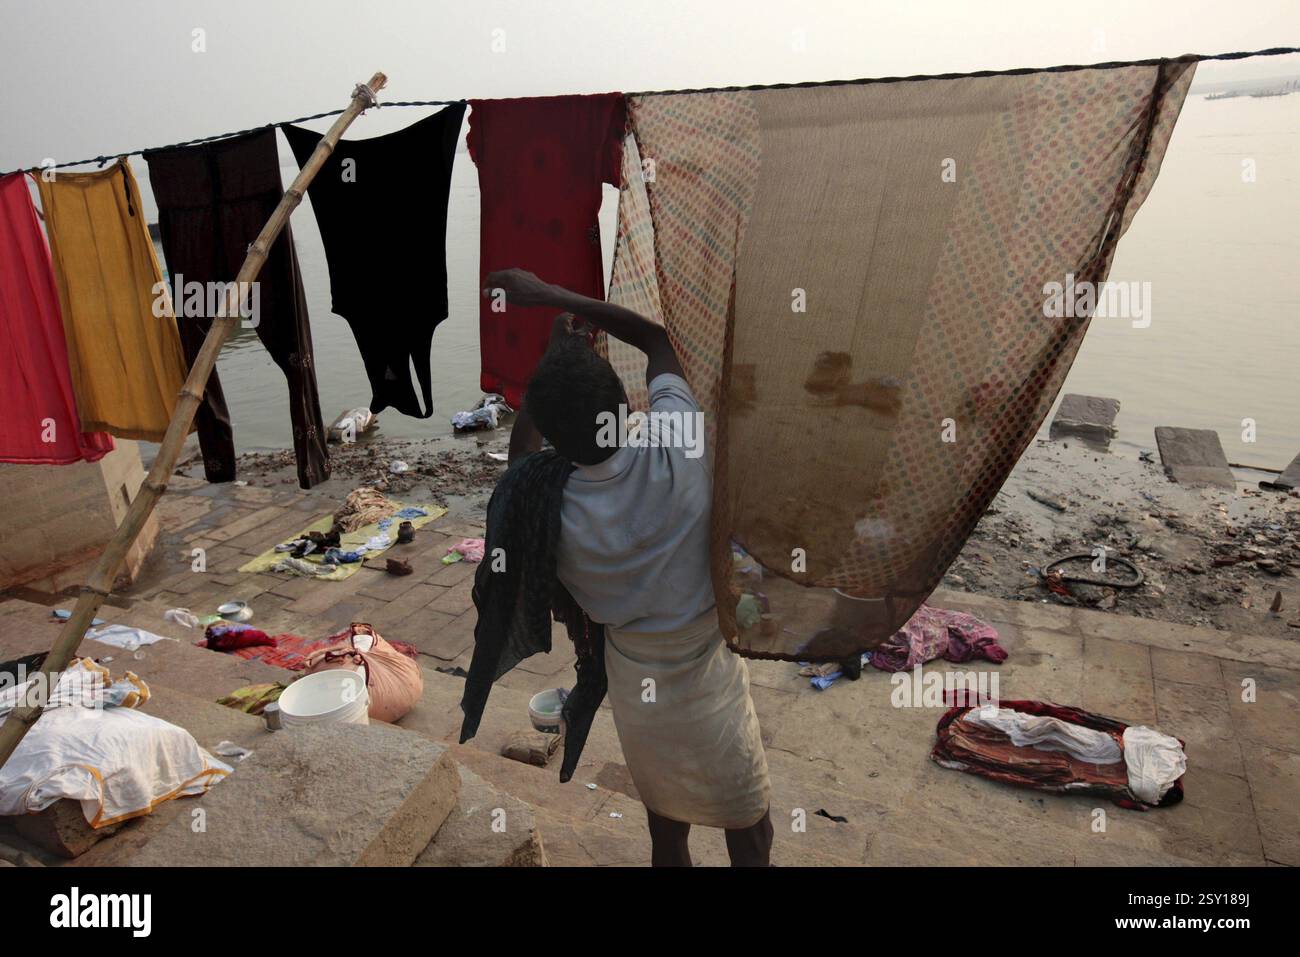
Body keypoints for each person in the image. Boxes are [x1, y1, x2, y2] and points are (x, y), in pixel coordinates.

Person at [486, 267, 773, 867]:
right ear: (623, 403)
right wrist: (554, 295)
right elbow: (658, 342)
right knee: (747, 822)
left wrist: (552, 365)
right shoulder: (680, 443)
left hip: (634, 676)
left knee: (666, 830)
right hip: (708, 667)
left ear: (553, 431)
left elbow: (521, 460)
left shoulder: (545, 506)